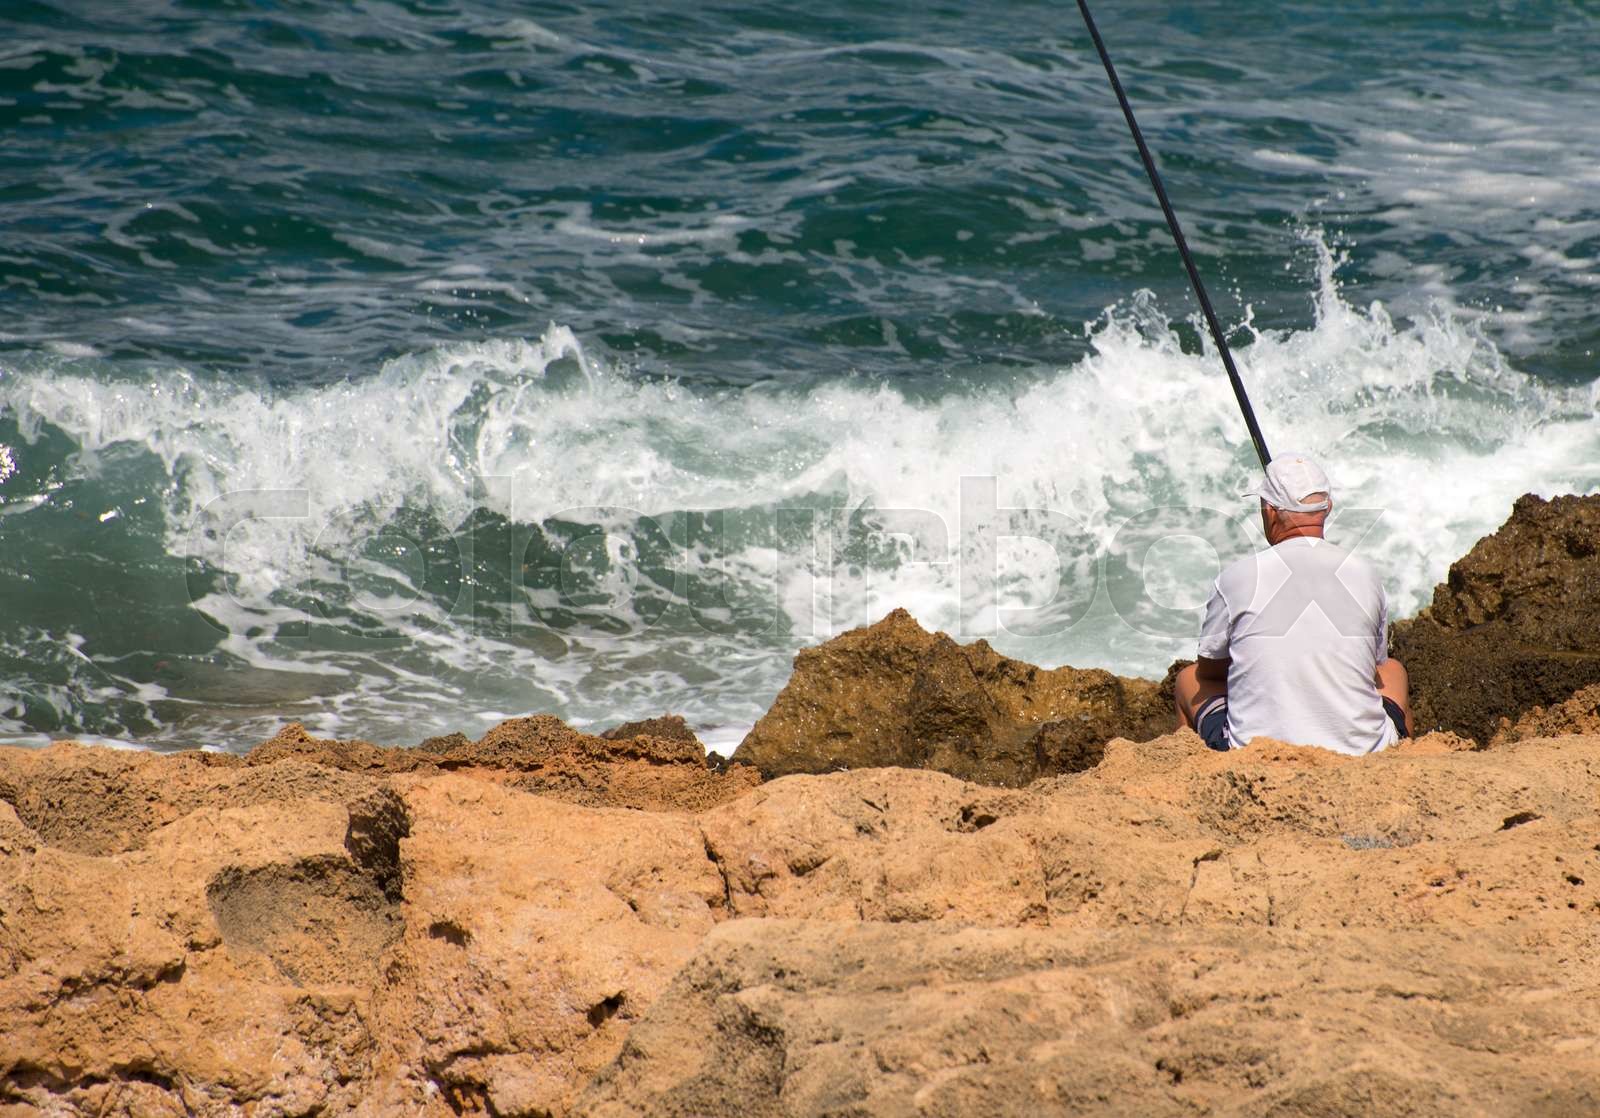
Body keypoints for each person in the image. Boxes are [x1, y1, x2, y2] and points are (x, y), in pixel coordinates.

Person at [1172, 453, 1412, 754]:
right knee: (1393, 671)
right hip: (1362, 752)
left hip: (1256, 753)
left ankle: (1192, 778)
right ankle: (1400, 760)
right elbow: (1372, 666)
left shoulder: (1235, 578)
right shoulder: (1366, 574)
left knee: (1187, 680)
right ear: (1328, 508)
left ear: (1270, 511)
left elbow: (1210, 672)